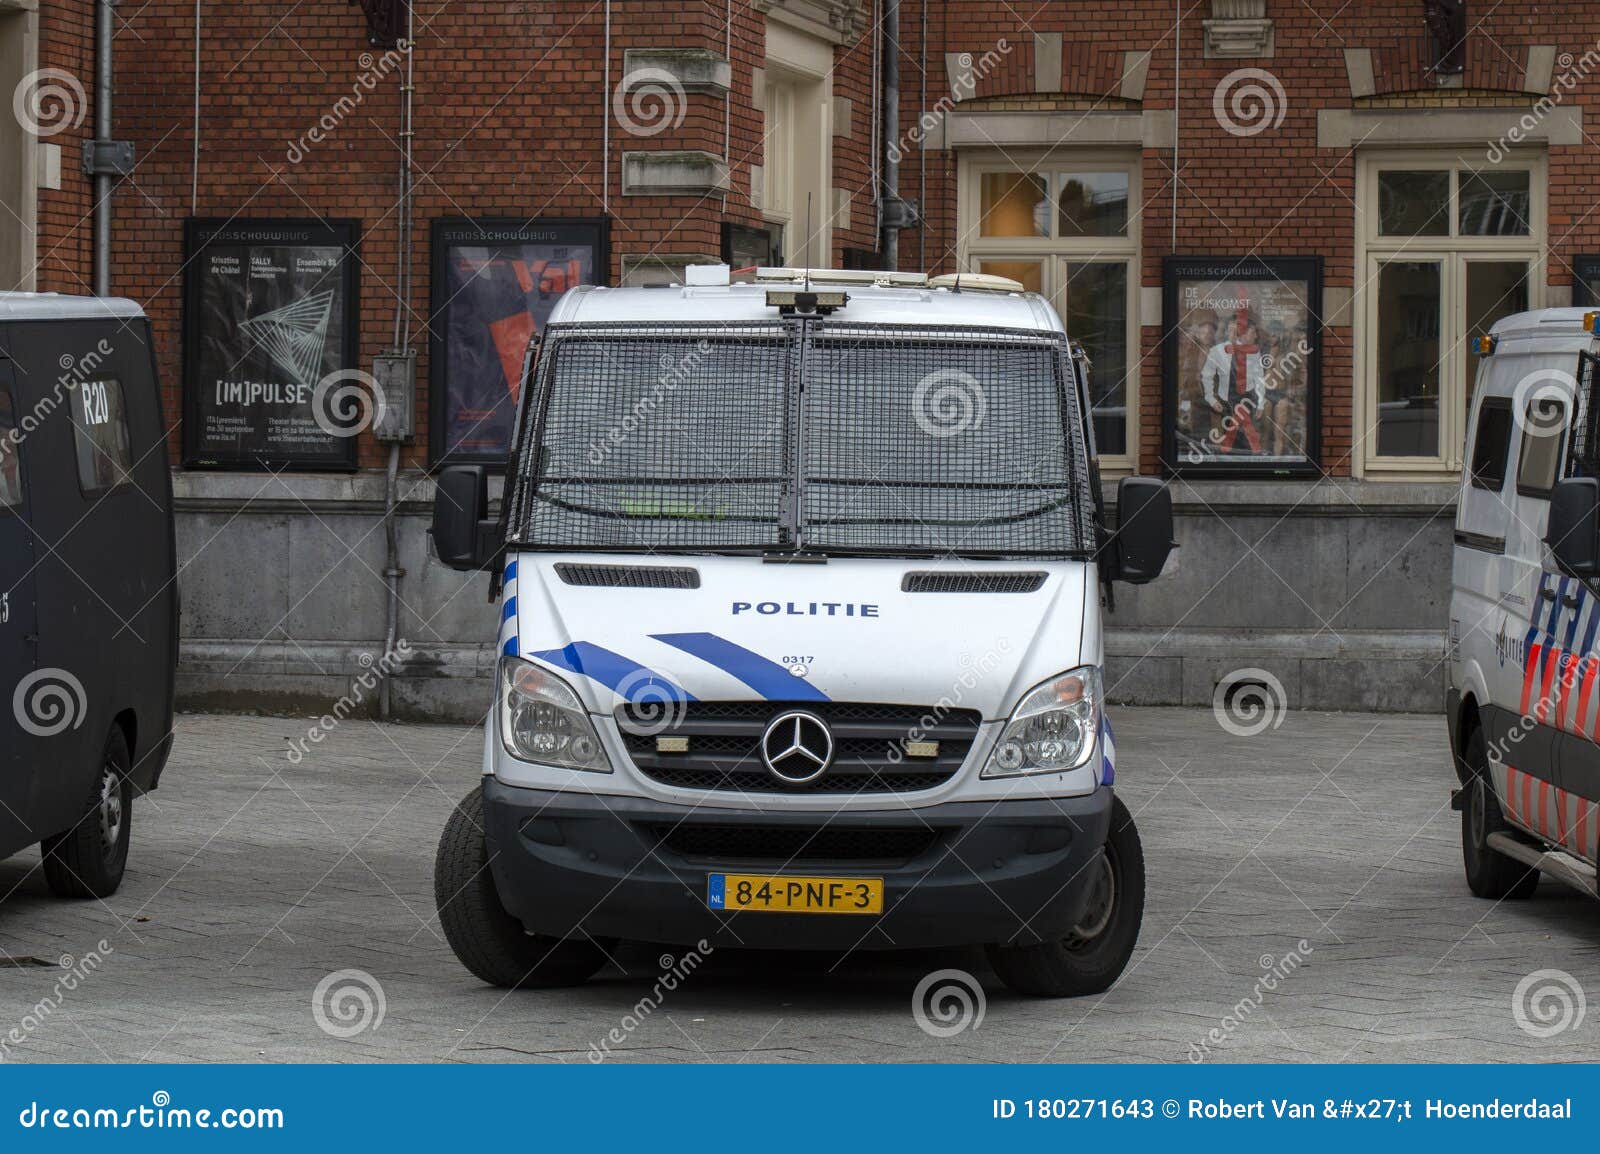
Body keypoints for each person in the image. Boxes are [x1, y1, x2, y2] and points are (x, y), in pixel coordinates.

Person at [1200, 294, 1266, 455]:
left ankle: (1249, 459)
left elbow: (1259, 379)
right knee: (1234, 434)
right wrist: (1211, 398)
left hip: (1249, 400)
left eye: (1236, 328)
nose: (1233, 332)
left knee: (1244, 436)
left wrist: (1261, 402)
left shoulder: (1253, 352)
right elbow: (1206, 375)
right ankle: (1237, 458)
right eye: (1230, 328)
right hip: (1226, 402)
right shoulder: (1217, 351)